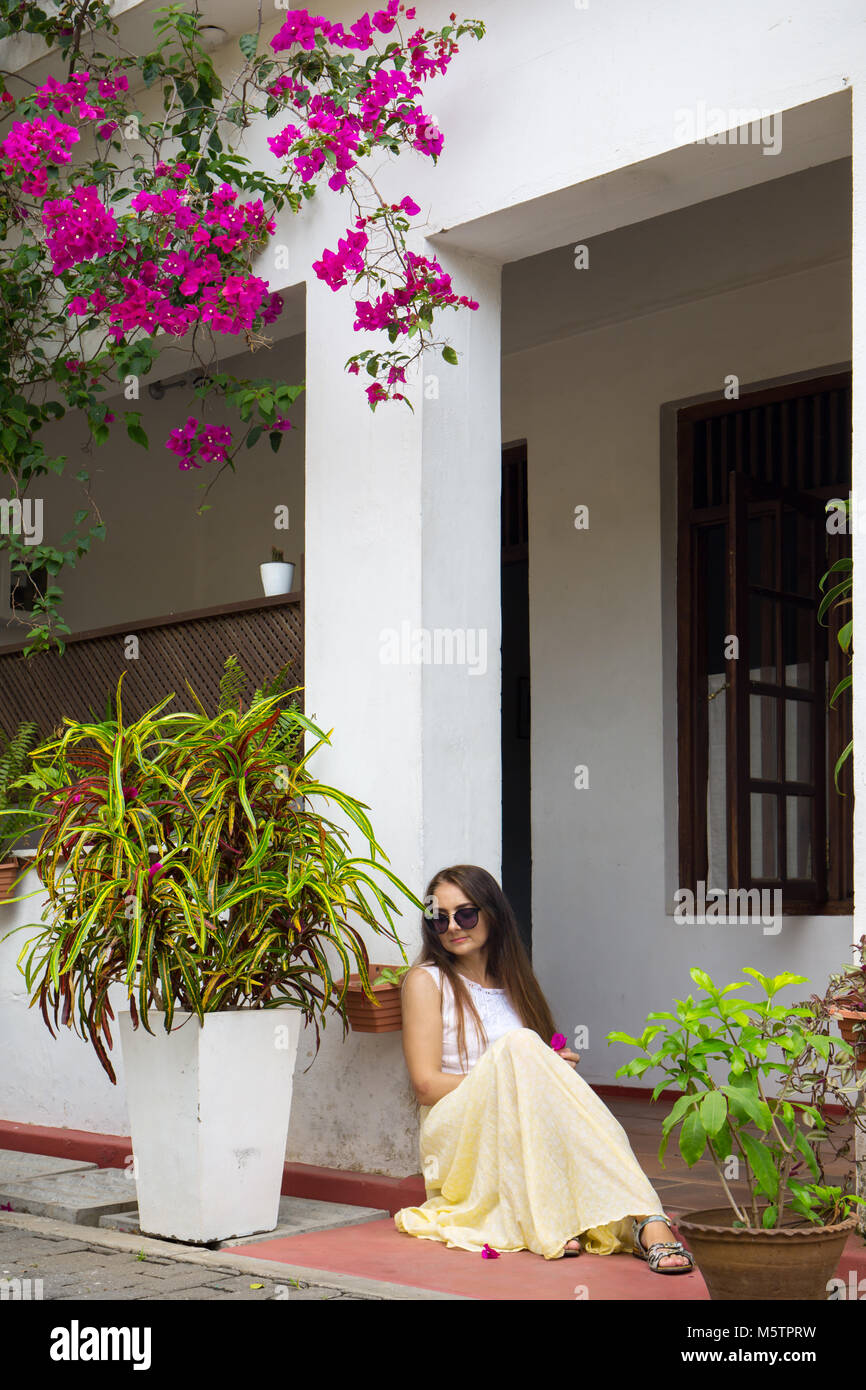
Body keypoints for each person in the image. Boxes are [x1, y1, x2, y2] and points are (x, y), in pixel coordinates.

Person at [393, 864, 694, 1271]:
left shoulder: (515, 983)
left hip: (513, 1128)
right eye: (438, 918)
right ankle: (648, 1220)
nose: (452, 927)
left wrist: (550, 1070)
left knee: (527, 1053)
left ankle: (643, 1218)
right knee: (519, 1046)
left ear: (492, 914)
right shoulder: (426, 981)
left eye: (465, 913)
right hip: (456, 1133)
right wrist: (516, 1069)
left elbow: (528, 1075)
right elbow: (425, 1086)